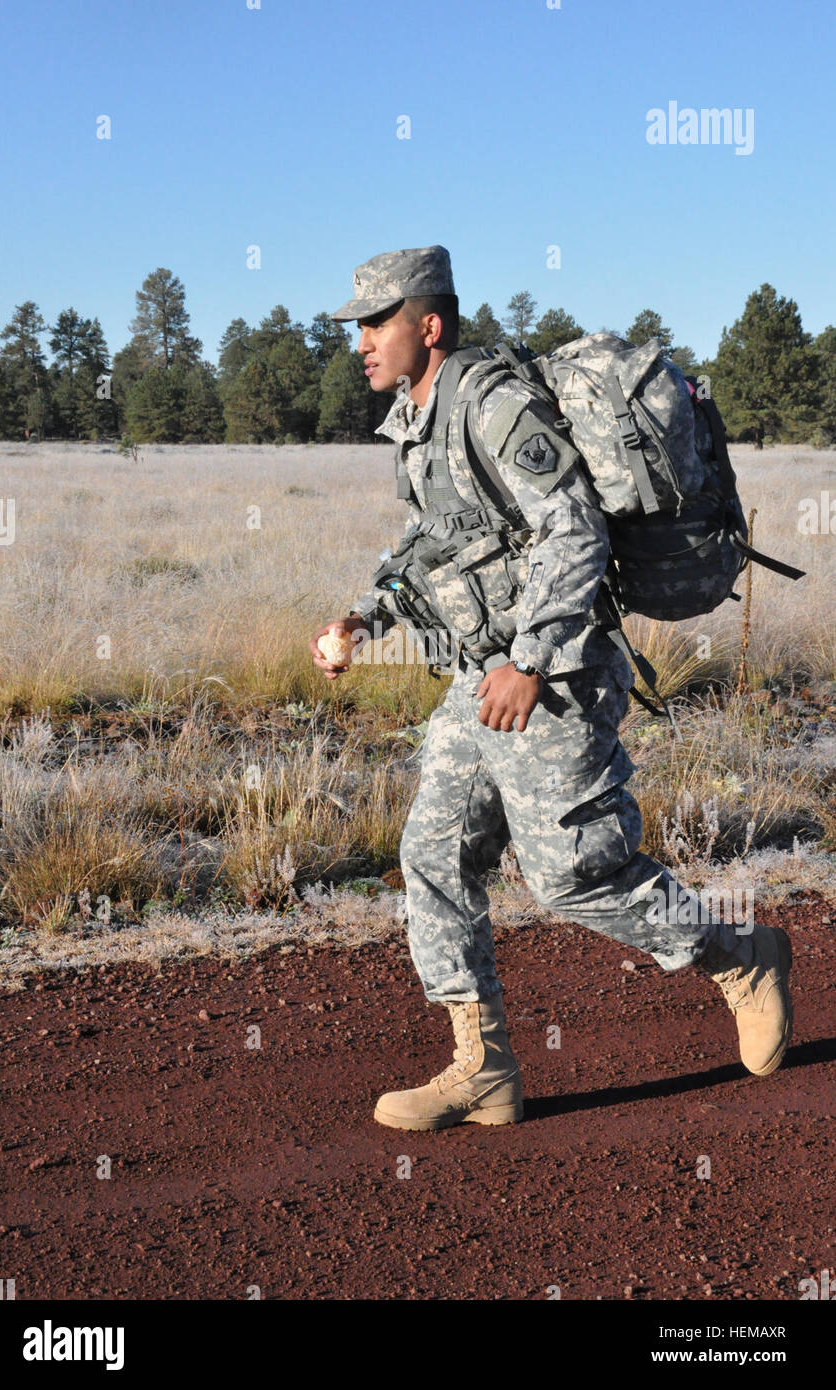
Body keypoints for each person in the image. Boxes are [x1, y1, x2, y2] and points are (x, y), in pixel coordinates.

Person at [309, 245, 793, 1132]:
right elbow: (435, 543)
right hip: (477, 676)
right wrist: (363, 620)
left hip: (548, 677)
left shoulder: (491, 402)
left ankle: (739, 955)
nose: (361, 343)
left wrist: (530, 659)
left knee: (573, 875)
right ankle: (482, 1070)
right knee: (434, 853)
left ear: (428, 323)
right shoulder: (416, 420)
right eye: (357, 327)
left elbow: (572, 531)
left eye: (374, 324)